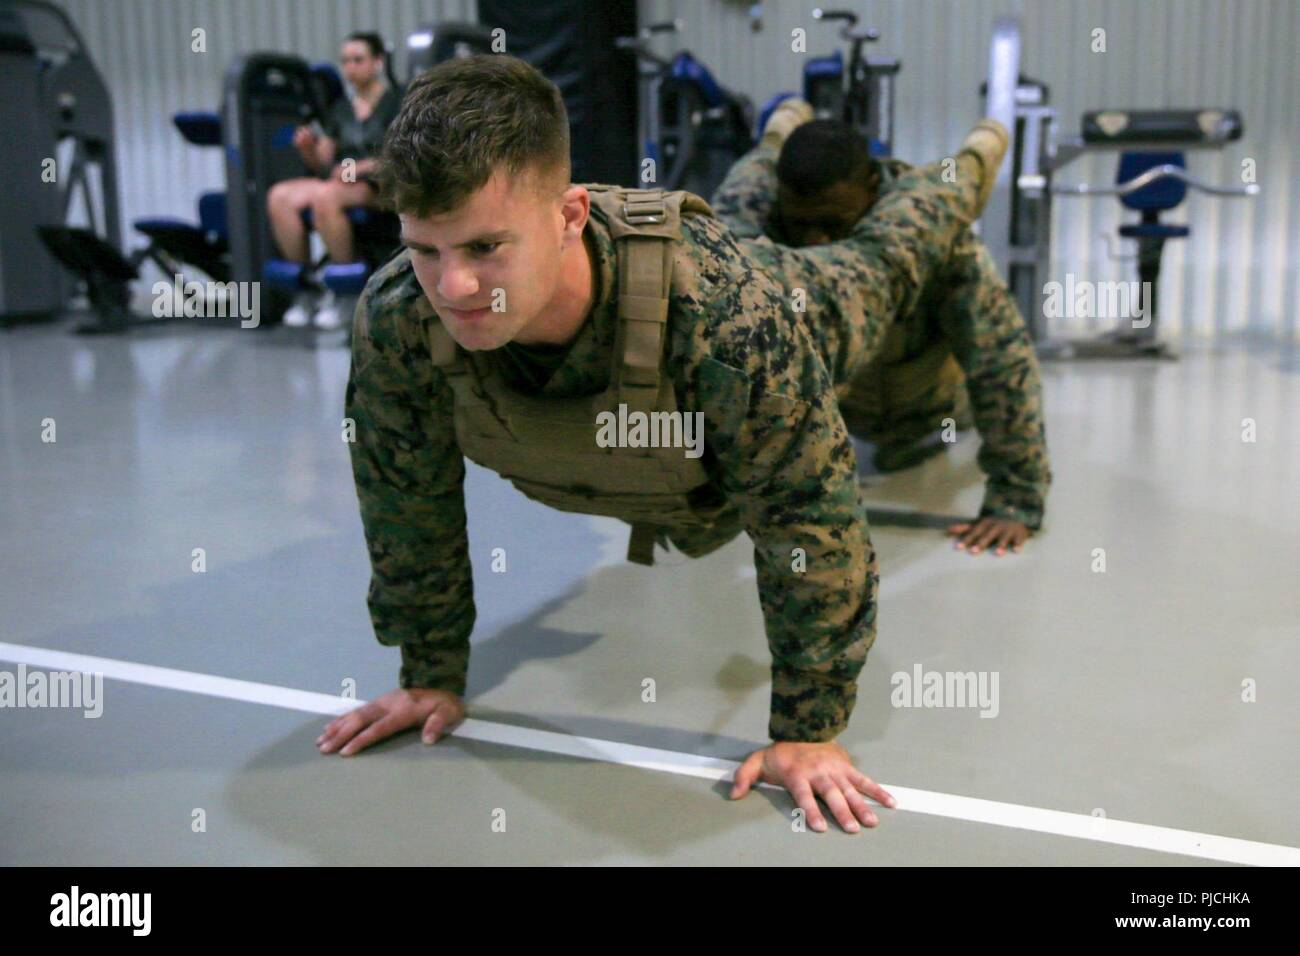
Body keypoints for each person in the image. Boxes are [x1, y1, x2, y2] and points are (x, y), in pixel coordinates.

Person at [323, 55, 1005, 834]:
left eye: (484, 249)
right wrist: (428, 672)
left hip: (805, 298)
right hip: (723, 278)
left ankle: (978, 151)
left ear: (570, 215)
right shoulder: (400, 315)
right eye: (426, 249)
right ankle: (778, 129)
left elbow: (808, 511)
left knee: (893, 252)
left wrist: (809, 728)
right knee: (743, 206)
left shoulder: (720, 311)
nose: (452, 289)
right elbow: (404, 495)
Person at [711, 110, 1051, 556]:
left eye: (834, 224)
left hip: (938, 407)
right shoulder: (761, 229)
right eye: (802, 226)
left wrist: (1016, 499)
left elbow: (1000, 358)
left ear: (872, 189)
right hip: (839, 413)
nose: (816, 243)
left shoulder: (933, 239)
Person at [266, 32, 402, 329]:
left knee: (326, 197)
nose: (350, 67)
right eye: (345, 61)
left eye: (358, 60)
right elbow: (324, 163)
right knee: (279, 196)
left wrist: (359, 167)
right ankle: (306, 291)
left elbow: (401, 155)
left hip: (381, 187)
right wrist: (308, 150)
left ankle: (346, 294)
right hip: (342, 181)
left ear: (378, 62)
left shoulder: (397, 102)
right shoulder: (340, 109)